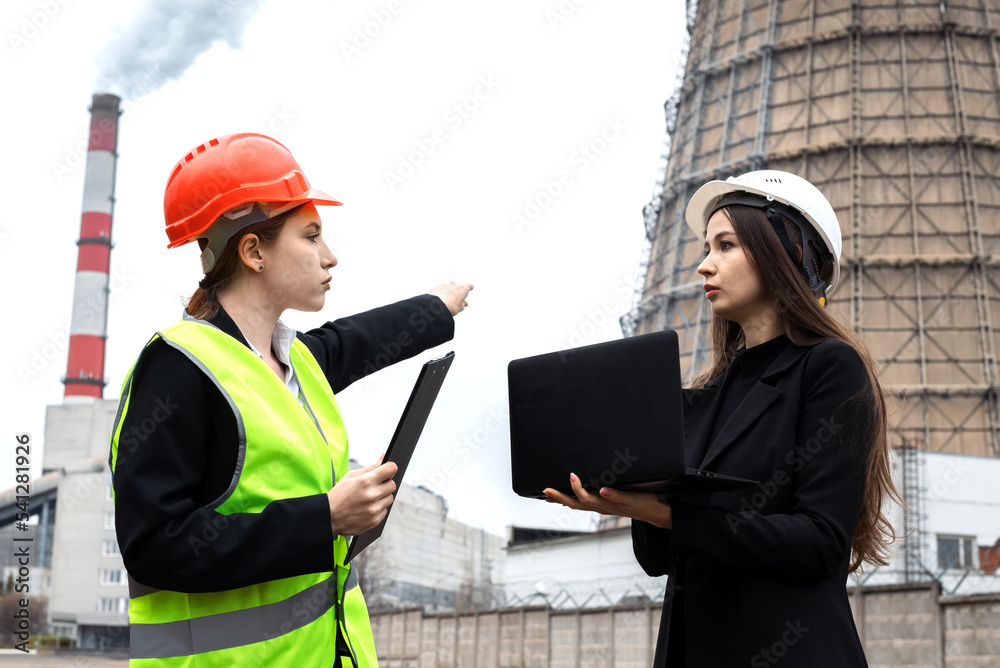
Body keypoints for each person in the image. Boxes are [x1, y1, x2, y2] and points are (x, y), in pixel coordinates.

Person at [109, 133, 473, 667]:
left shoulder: (296, 362)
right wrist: (324, 518)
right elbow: (155, 547)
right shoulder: (179, 368)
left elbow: (358, 340)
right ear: (254, 251)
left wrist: (436, 309)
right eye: (311, 236)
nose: (330, 256)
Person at [544, 170, 899, 667]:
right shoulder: (707, 393)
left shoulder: (829, 367)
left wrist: (669, 514)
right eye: (706, 248)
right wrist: (626, 496)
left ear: (787, 250)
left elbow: (820, 542)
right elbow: (659, 559)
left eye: (725, 245)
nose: (704, 266)